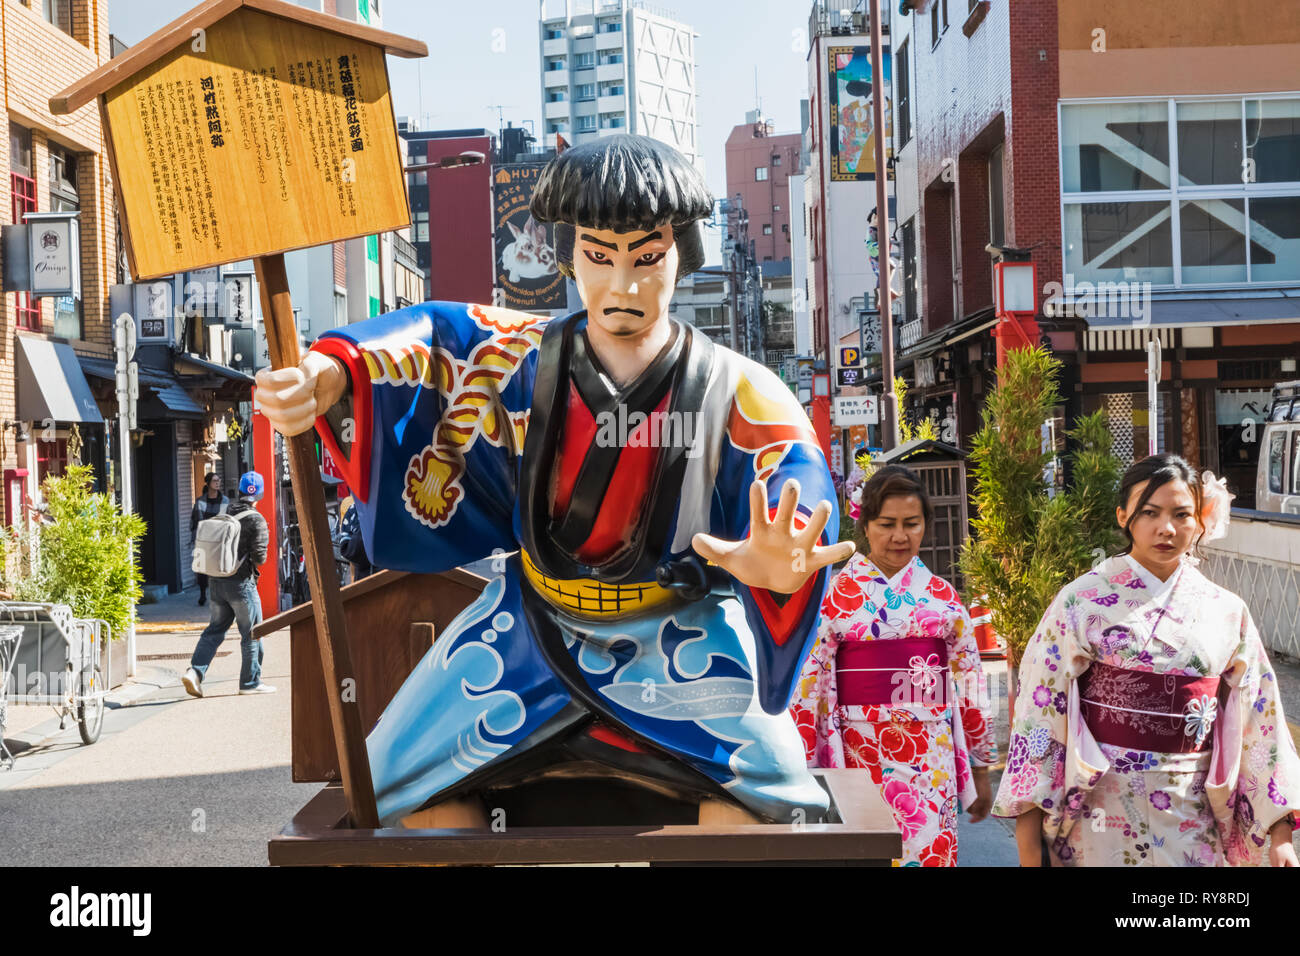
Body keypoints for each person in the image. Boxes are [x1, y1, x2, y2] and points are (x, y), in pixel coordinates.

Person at [254, 134, 853, 827]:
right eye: (599, 256)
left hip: (680, 639)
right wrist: (333, 374)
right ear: (570, 254)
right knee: (389, 796)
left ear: (681, 254)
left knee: (775, 811)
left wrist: (781, 561)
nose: (621, 285)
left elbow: (792, 472)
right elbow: (430, 337)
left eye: (646, 257)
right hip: (526, 631)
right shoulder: (515, 356)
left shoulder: (737, 388)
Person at [994, 454, 1300, 866]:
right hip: (1099, 807)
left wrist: (1280, 833)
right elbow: (1040, 707)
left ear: (1201, 523)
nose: (1167, 528)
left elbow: (1260, 718)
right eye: (1150, 512)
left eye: (1182, 514)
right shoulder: (1080, 600)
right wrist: (1029, 837)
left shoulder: (1226, 610)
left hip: (1191, 807)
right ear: (1124, 516)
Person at [791, 464, 996, 865]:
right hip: (858, 748)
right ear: (865, 524)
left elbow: (970, 681)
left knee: (929, 852)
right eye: (886, 523)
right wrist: (802, 766)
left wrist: (982, 765)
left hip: (930, 754)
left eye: (911, 523)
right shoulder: (834, 597)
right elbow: (808, 685)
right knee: (865, 854)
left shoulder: (943, 597)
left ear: (925, 526)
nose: (899, 536)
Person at [182, 471, 274, 698]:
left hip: (216, 581)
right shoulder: (256, 519)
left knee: (214, 631)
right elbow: (260, 558)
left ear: (240, 491)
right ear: (259, 494)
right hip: (242, 584)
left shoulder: (226, 511)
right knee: (251, 633)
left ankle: (194, 672)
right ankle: (250, 683)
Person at [190, 472, 227, 606]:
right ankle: (202, 594)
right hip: (203, 539)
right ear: (208, 483)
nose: (217, 483)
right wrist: (195, 540)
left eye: (219, 480)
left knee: (219, 568)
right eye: (214, 481)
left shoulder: (225, 501)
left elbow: (225, 521)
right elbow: (196, 521)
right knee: (202, 569)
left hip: (219, 539)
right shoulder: (200, 501)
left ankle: (219, 595)